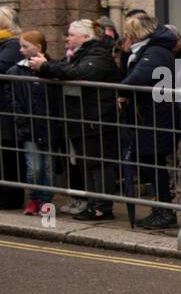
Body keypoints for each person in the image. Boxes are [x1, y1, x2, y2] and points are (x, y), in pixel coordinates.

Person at [30, 20, 121, 221]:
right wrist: (45, 64)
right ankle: (93, 203)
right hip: (82, 120)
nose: (67, 38)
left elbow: (79, 74)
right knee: (88, 164)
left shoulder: (97, 55)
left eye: (71, 34)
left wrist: (44, 65)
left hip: (96, 119)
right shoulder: (79, 54)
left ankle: (102, 207)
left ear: (86, 37)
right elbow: (63, 67)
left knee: (99, 165)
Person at [118, 13, 181, 230]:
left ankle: (165, 211)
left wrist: (121, 91)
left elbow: (139, 76)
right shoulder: (150, 49)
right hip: (149, 117)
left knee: (155, 166)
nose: (125, 35)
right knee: (149, 164)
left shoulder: (155, 52)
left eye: (128, 31)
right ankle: (161, 208)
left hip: (156, 118)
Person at [9, 30, 59, 214]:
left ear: (38, 47)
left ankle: (46, 201)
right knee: (34, 168)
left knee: (48, 167)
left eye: (25, 46)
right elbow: (12, 99)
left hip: (49, 126)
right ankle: (33, 199)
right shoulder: (15, 70)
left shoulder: (52, 68)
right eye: (21, 46)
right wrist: (21, 119)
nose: (21, 50)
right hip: (28, 127)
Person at [0, 6, 25, 210]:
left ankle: (11, 197)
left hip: (8, 108)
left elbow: (2, 67)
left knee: (9, 154)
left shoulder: (13, 44)